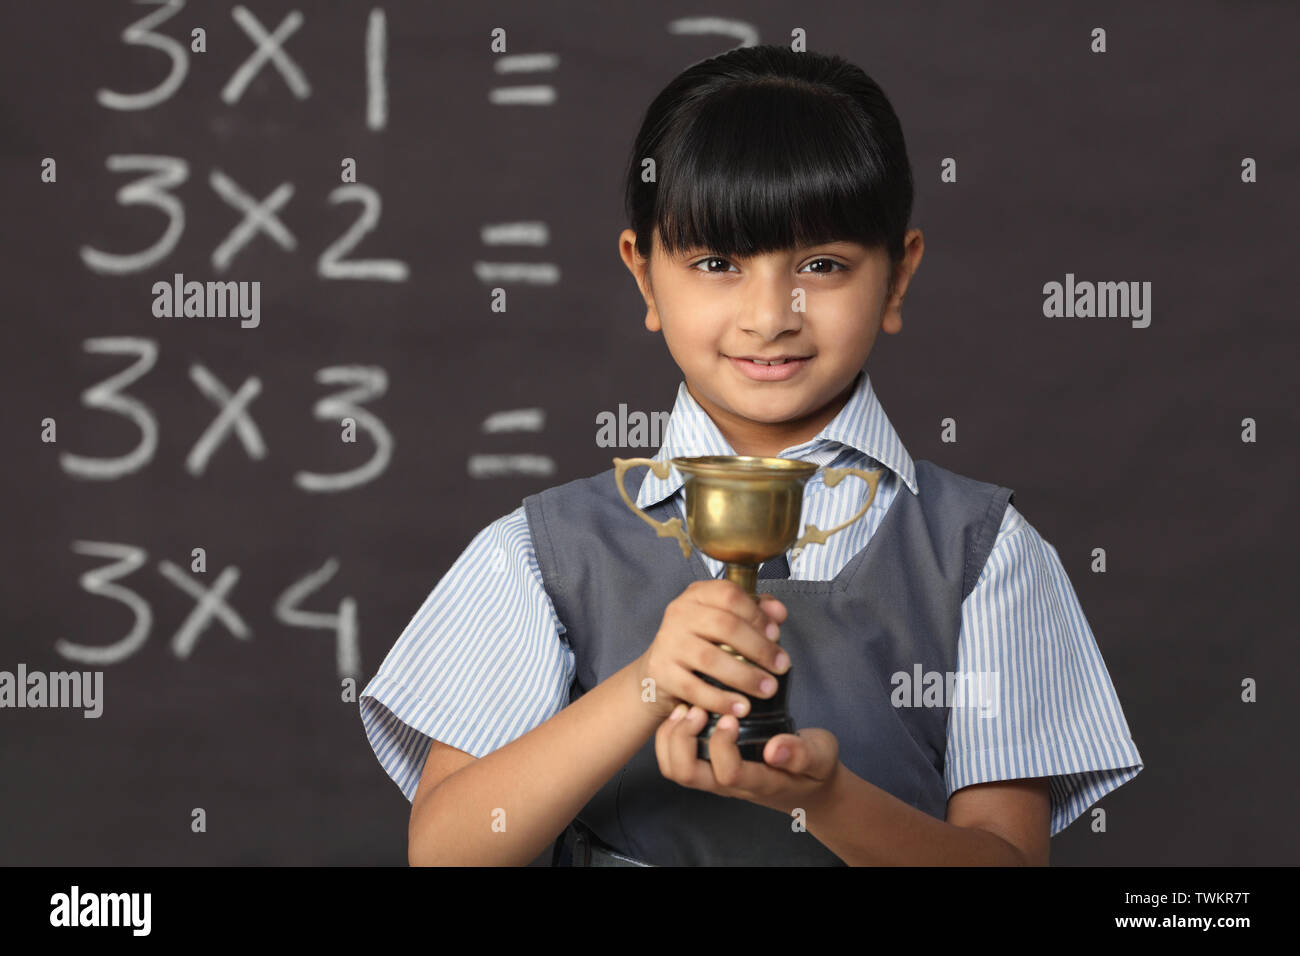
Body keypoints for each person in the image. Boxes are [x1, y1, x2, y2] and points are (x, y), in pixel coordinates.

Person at [360, 44, 1143, 866]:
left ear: (899, 276)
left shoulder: (982, 553)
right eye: (716, 264)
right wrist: (646, 684)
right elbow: (447, 852)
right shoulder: (539, 555)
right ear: (644, 277)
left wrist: (826, 800)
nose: (771, 315)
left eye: (822, 265)